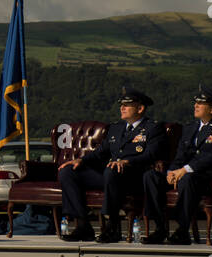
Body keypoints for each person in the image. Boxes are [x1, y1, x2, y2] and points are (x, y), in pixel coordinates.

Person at [58, 87, 159, 243]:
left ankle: (112, 227)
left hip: (134, 176)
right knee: (68, 172)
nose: (122, 108)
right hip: (111, 174)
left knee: (111, 170)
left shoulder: (152, 128)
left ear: (140, 108)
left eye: (127, 105)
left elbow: (151, 155)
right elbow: (100, 152)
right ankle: (83, 225)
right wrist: (81, 160)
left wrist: (128, 161)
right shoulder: (116, 128)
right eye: (121, 105)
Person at [141, 85, 212, 245]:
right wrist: (171, 171)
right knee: (151, 176)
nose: (195, 106)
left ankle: (182, 230)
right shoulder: (190, 128)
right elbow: (180, 154)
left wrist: (186, 169)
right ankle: (160, 228)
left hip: (205, 177)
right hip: (182, 173)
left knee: (188, 179)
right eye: (195, 103)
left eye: (200, 104)